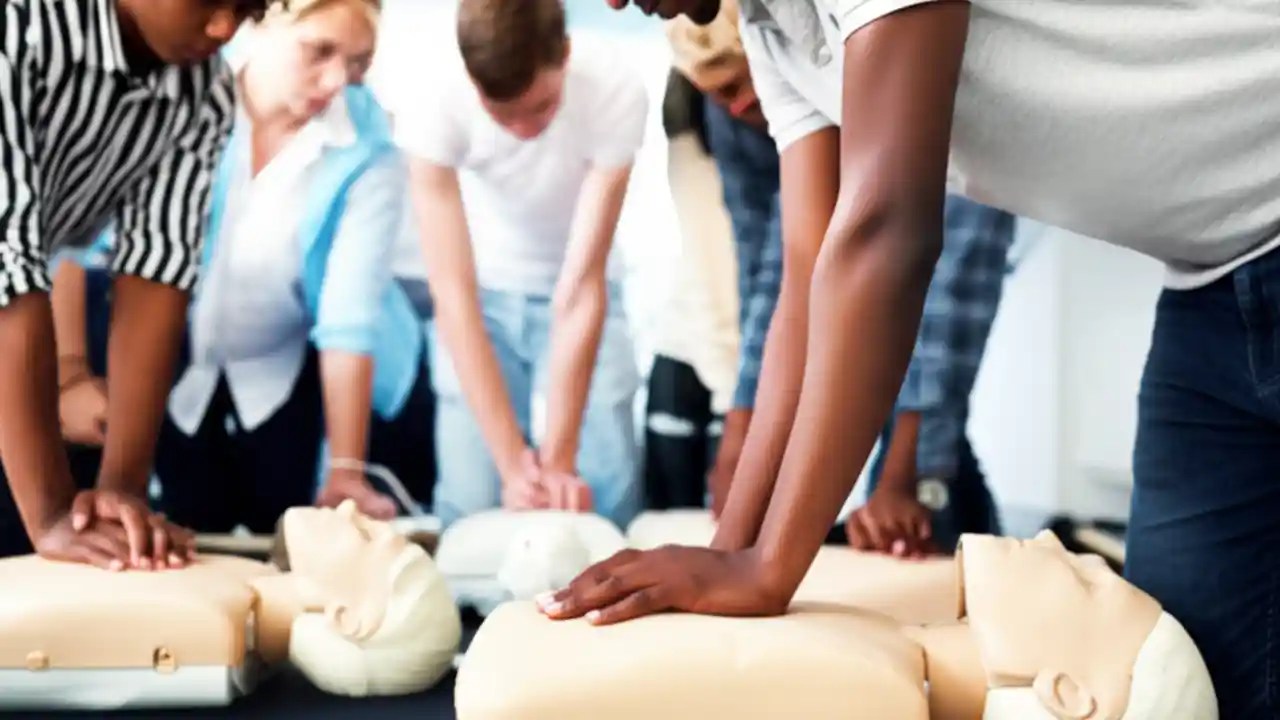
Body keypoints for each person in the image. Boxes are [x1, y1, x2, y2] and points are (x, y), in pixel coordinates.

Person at [548, 2, 1280, 717]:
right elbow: (806, 281)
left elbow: (889, 234)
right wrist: (728, 552)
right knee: (1185, 676)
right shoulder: (773, 34)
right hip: (1210, 291)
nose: (613, 1)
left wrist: (766, 570)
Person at [0, 0, 267, 569]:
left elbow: (157, 272)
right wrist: (52, 512)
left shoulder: (204, 94)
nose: (224, 27)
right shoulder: (16, 27)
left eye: (247, 6)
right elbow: (8, 260)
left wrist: (121, 488)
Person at [150, 0, 434, 534]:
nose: (337, 80)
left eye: (357, 63)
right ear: (262, 19)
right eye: (319, 51)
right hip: (182, 368)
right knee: (188, 532)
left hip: (306, 371)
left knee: (291, 537)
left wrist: (345, 470)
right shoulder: (182, 101)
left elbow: (347, 316)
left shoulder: (366, 149)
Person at [398, 0, 648, 529]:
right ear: (472, 79)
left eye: (541, 107)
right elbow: (452, 291)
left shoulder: (614, 87)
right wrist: (513, 463)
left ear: (566, 54)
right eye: (501, 113)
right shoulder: (431, 97)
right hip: (481, 297)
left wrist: (558, 459)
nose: (523, 128)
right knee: (471, 501)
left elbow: (581, 287)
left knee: (604, 494)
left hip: (586, 291)